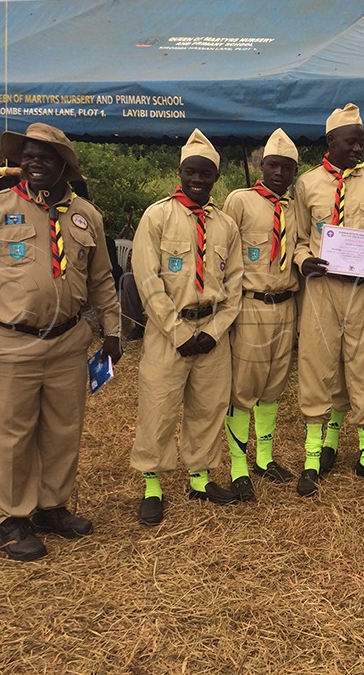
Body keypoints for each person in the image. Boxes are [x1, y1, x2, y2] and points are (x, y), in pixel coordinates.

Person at [0, 122, 121, 561]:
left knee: (62, 429)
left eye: (45, 156)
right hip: (11, 340)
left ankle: (51, 507)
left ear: (64, 165)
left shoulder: (86, 216)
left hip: (68, 340)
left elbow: (100, 279)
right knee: (10, 433)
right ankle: (13, 519)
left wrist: (113, 330)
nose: (34, 162)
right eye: (28, 155)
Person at [129, 129, 244, 526]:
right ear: (180, 172)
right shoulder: (157, 216)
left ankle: (199, 478)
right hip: (168, 334)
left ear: (215, 178)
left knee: (208, 408)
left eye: (206, 173)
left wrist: (215, 330)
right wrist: (178, 333)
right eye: (191, 172)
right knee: (159, 407)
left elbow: (235, 284)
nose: (198, 179)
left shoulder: (225, 225)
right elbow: (147, 279)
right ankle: (152, 485)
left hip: (212, 333)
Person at [292, 103, 364, 497]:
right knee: (317, 365)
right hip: (322, 290)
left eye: (361, 143)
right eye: (350, 143)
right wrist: (305, 262)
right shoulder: (307, 184)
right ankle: (312, 456)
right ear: (330, 141)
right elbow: (299, 240)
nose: (358, 149)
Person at [221, 128, 300, 501]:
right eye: (273, 166)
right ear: (261, 165)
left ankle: (264, 458)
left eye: (287, 168)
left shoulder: (296, 207)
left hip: (286, 305)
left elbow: (300, 248)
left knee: (273, 385)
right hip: (251, 304)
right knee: (244, 388)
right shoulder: (240, 201)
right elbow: (221, 249)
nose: (280, 174)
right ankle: (238, 465)